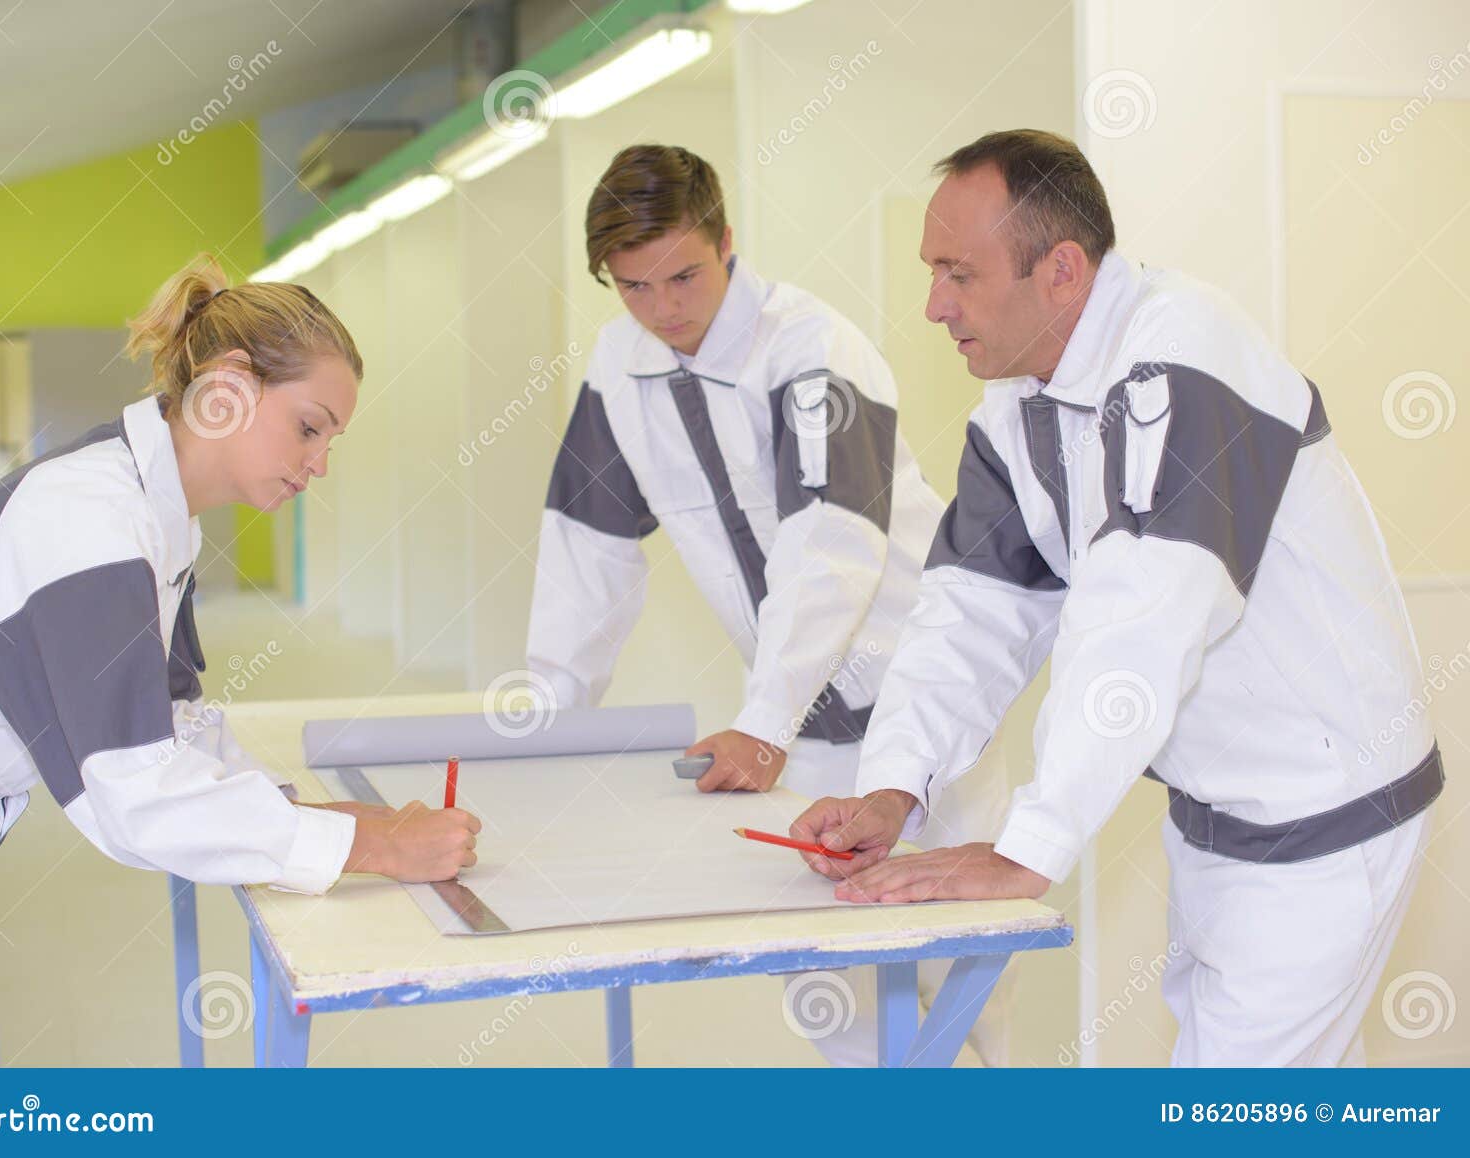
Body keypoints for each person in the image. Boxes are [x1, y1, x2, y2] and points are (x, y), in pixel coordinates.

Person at [791, 129, 1440, 1066]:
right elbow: (968, 615)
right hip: (1218, 811)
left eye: (958, 274)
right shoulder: (1016, 407)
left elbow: (1142, 618)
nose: (934, 305)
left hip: (1325, 815)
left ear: (1060, 271)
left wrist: (1028, 848)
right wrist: (893, 786)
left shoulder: (1184, 359)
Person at [0, 254, 480, 1067]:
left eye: (332, 438)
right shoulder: (89, 515)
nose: (321, 462)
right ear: (227, 388)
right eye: (309, 426)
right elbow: (130, 792)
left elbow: (175, 727)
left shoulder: (155, 520)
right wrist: (368, 850)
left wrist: (349, 823)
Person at [525, 145, 1010, 1066]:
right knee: (836, 1000)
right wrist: (553, 723)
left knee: (966, 985)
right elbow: (587, 547)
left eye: (683, 275)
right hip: (809, 740)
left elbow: (832, 542)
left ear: (727, 242)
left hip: (929, 713)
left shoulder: (810, 347)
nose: (663, 310)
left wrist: (763, 723)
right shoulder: (619, 365)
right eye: (631, 287)